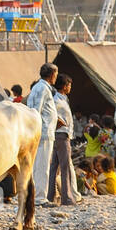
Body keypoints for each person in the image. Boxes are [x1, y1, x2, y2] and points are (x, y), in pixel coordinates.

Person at [25, 63, 58, 205]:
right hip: (43, 133)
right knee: (42, 166)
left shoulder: (40, 87)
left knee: (39, 165)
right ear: (52, 75)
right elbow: (35, 111)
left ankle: (36, 195)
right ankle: (40, 197)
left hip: (43, 132)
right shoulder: (43, 88)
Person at [48, 74, 78, 206]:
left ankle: (51, 196)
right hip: (61, 135)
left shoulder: (63, 99)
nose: (70, 87)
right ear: (65, 86)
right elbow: (51, 115)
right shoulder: (56, 100)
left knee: (55, 166)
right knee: (64, 166)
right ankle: (67, 198)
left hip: (61, 135)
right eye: (69, 85)